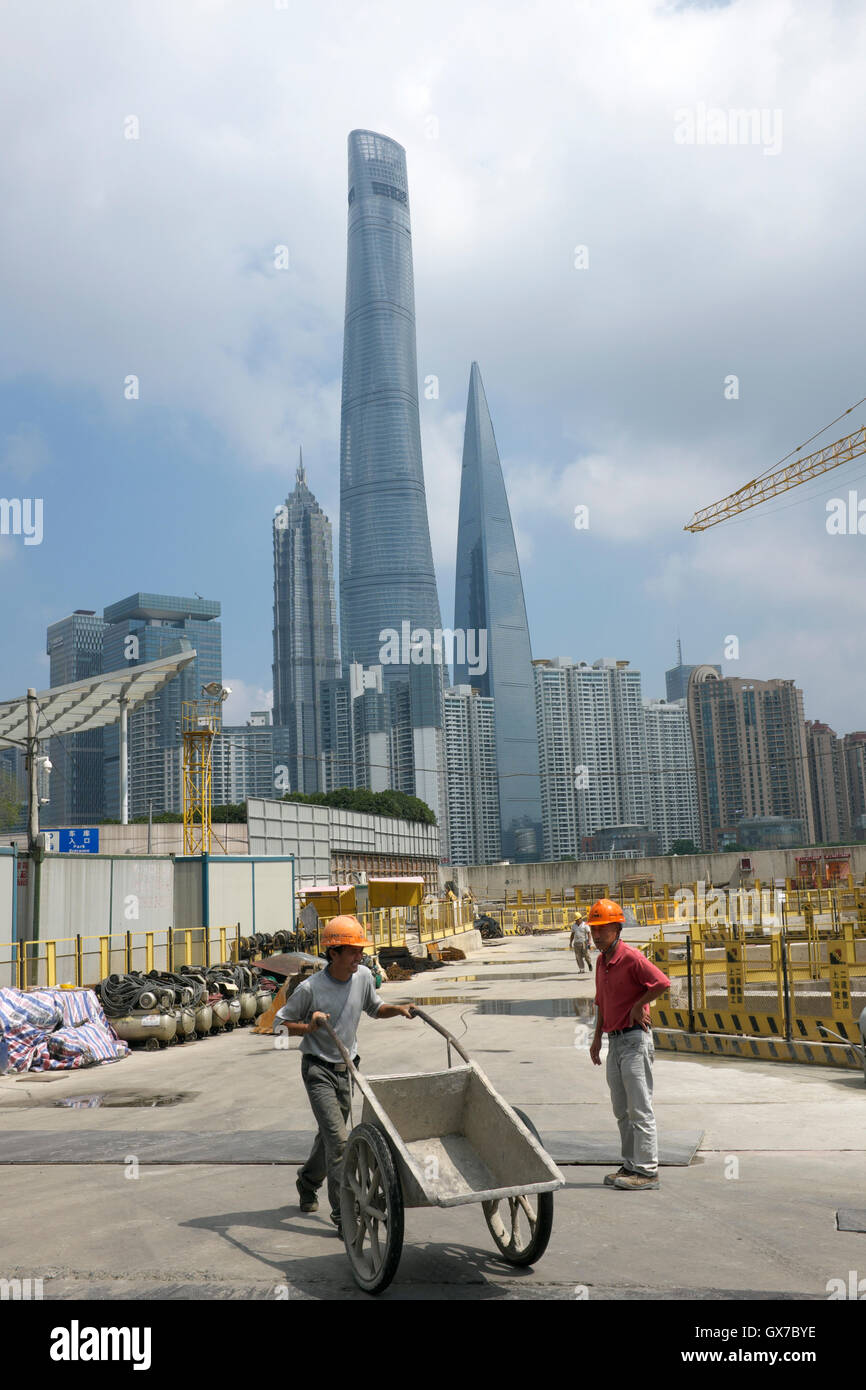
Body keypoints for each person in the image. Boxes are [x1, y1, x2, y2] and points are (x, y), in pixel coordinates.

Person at [274, 914, 414, 1234]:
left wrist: (399, 1009)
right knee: (339, 1142)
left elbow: (374, 1008)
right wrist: (308, 1026)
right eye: (352, 951)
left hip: (347, 1070)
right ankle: (344, 1213)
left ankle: (307, 1183)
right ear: (333, 953)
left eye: (359, 951)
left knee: (329, 1139)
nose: (358, 956)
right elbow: (279, 1026)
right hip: (318, 1070)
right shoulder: (311, 988)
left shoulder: (363, 976)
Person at [587, 898, 671, 1191]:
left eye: (602, 929)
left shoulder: (631, 957)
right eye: (593, 929)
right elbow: (601, 1002)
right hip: (614, 1041)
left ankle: (647, 1171)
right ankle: (631, 1163)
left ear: (617, 928)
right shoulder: (601, 962)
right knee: (621, 1109)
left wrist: (640, 1005)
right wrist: (597, 1037)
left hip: (635, 1040)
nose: (596, 935)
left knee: (640, 1107)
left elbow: (662, 982)